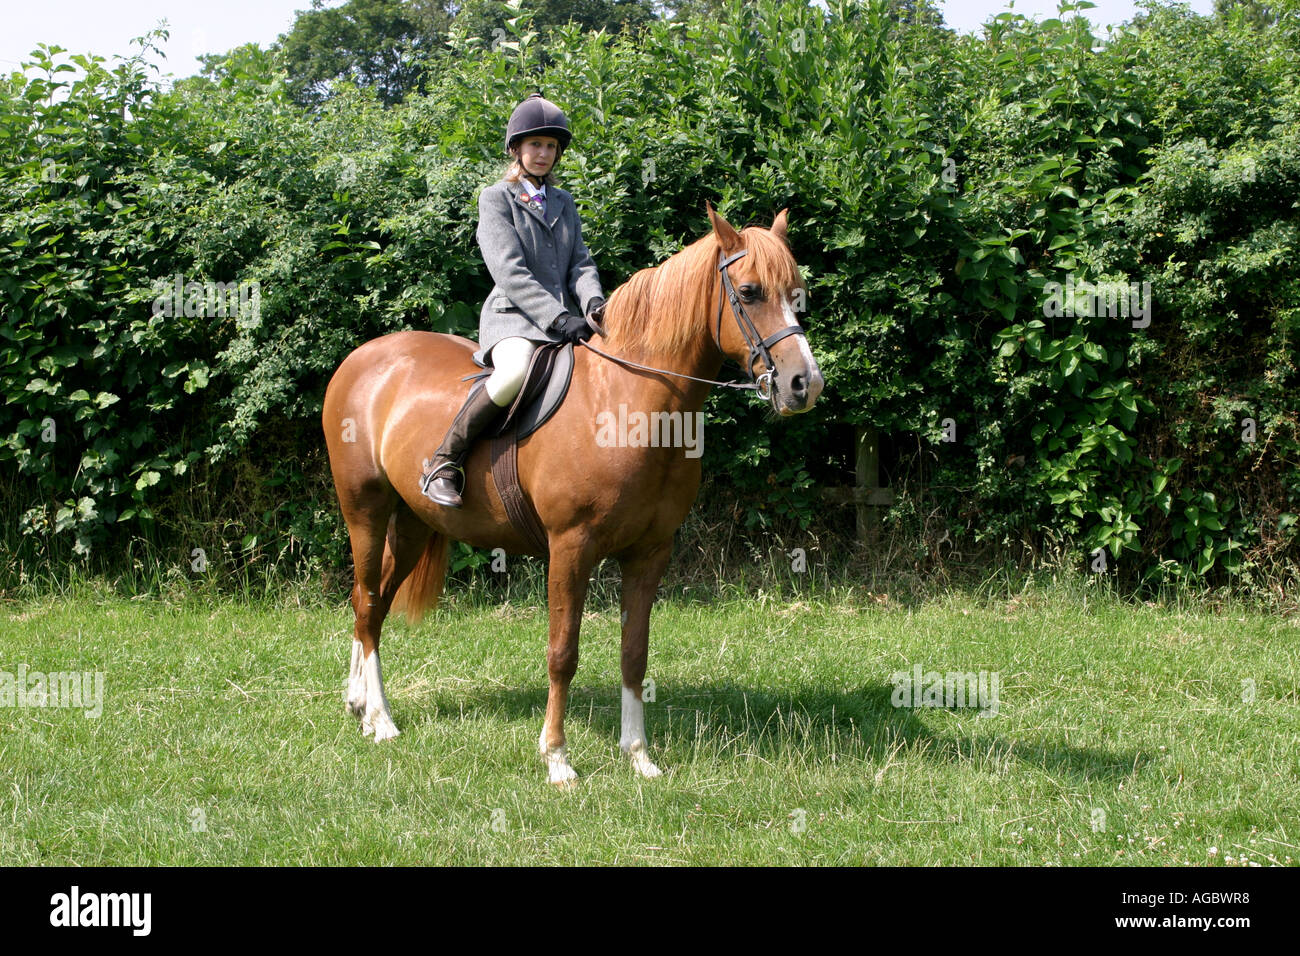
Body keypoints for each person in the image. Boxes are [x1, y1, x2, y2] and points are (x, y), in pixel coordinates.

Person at [421, 93, 607, 508]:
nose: (543, 154)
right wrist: (559, 319)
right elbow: (510, 272)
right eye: (535, 145)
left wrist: (593, 304)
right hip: (514, 320)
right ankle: (444, 460)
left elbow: (581, 263)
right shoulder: (495, 198)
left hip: (567, 321)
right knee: (512, 375)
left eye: (550, 147)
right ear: (516, 150)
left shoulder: (563, 202)